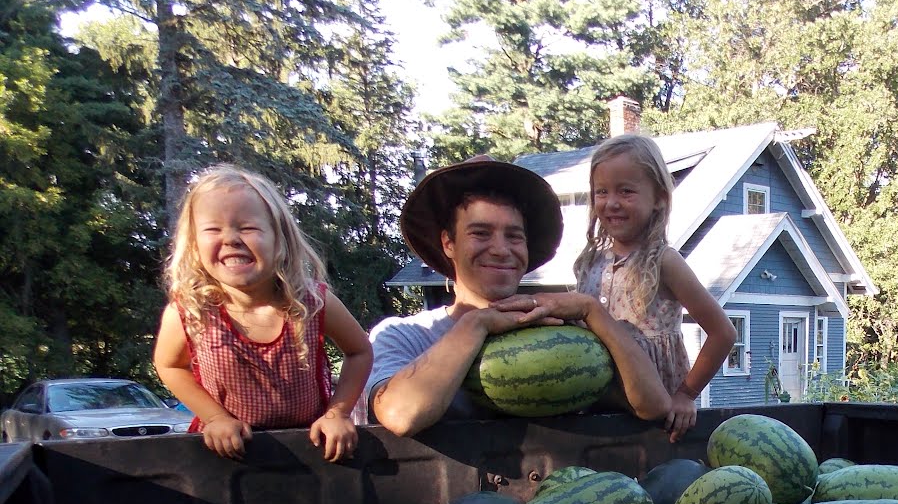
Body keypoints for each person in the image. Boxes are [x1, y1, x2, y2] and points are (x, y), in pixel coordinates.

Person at [365, 155, 673, 437]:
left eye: (514, 236)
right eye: (480, 234)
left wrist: (593, 311)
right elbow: (399, 414)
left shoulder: (562, 331)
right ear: (448, 243)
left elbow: (654, 406)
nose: (501, 249)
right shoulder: (403, 336)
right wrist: (477, 324)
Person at [153, 165, 372, 462]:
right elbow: (169, 366)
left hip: (311, 450)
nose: (230, 238)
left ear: (280, 240)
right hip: (228, 454)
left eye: (247, 228)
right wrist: (215, 417)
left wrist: (338, 413)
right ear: (194, 244)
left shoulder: (313, 302)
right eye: (213, 229)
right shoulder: (190, 310)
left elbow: (359, 351)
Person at [573, 134, 736, 442]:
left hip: (656, 419)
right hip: (599, 410)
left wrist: (686, 394)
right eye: (602, 192)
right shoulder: (590, 261)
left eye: (626, 191)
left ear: (659, 197)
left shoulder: (663, 261)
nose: (612, 202)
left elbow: (723, 332)